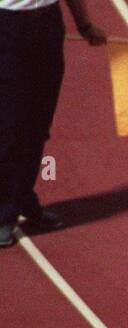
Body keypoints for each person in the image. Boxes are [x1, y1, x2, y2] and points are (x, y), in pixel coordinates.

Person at [0, 0, 105, 248]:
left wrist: (85, 25)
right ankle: (3, 210)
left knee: (38, 124)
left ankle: (22, 197)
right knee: (11, 125)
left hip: (47, 23)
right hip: (8, 25)